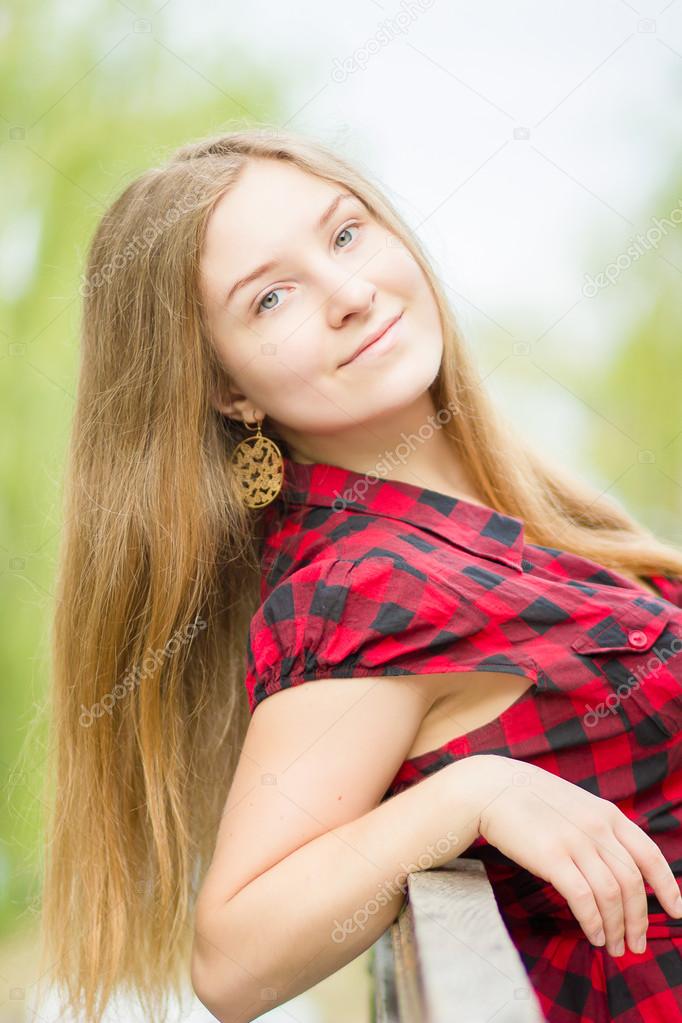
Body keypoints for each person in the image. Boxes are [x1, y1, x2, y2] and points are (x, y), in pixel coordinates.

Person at [39, 126, 682, 1023]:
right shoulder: (369, 586)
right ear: (230, 392)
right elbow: (231, 960)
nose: (348, 293)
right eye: (270, 298)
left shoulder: (503, 518)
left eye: (345, 234)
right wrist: (471, 795)